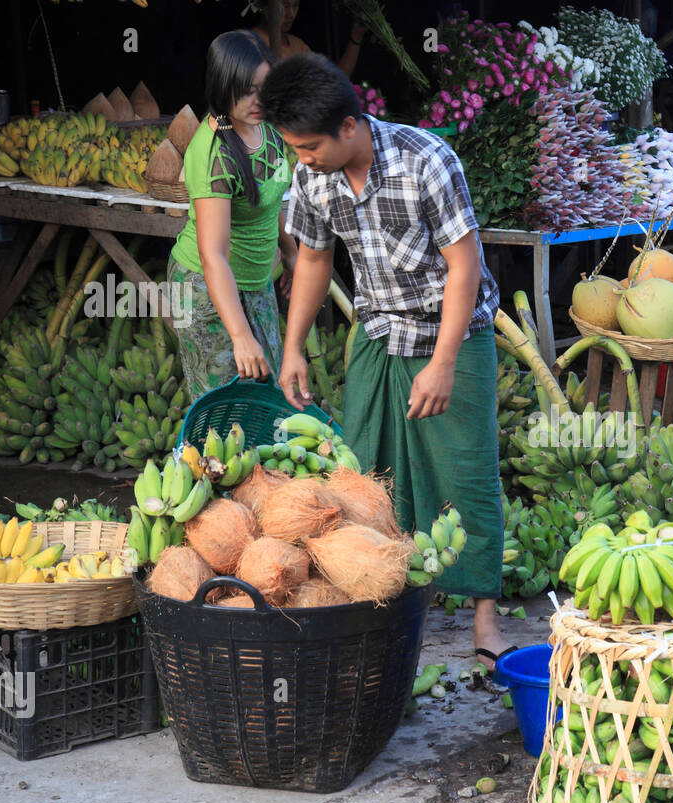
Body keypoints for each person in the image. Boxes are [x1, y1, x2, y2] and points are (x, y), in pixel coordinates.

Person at [259, 54, 512, 671]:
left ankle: (485, 619)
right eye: (294, 148)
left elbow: (464, 264)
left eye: (311, 145)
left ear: (351, 126)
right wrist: (292, 348)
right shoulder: (314, 178)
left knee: (466, 475)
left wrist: (444, 362)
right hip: (376, 334)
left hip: (453, 332)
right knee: (366, 474)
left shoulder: (426, 160)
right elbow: (315, 262)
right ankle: (384, 609)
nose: (303, 159)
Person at [168, 31, 296, 397]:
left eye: (265, 87)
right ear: (223, 87)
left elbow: (271, 198)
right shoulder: (214, 154)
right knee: (222, 405)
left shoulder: (268, 127)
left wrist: (289, 252)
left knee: (267, 389)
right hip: (206, 288)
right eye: (246, 90)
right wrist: (239, 335)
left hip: (255, 281)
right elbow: (213, 255)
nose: (259, 100)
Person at [251, 0, 368, 76]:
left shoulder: (298, 45)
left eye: (295, 6)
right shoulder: (250, 42)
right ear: (265, 6)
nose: (291, 14)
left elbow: (334, 82)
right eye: (285, 5)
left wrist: (356, 38)